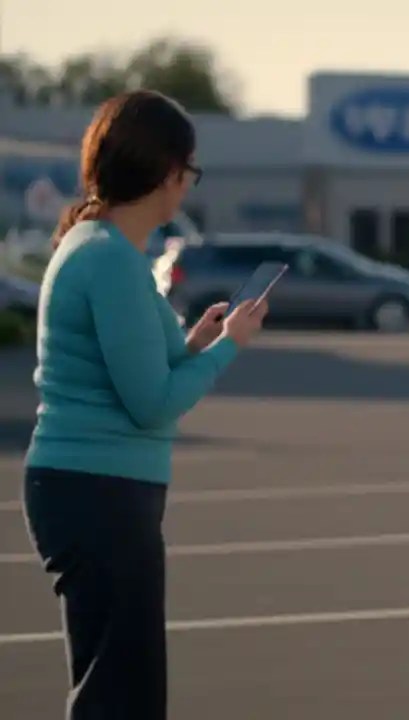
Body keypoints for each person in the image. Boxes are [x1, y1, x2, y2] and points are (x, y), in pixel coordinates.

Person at [21, 89, 268, 720]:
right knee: (122, 692)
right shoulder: (108, 260)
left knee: (113, 678)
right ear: (165, 172)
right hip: (98, 491)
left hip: (92, 487)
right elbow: (152, 406)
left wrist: (194, 344)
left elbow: (133, 374)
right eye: (188, 171)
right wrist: (228, 349)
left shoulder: (100, 248)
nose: (187, 185)